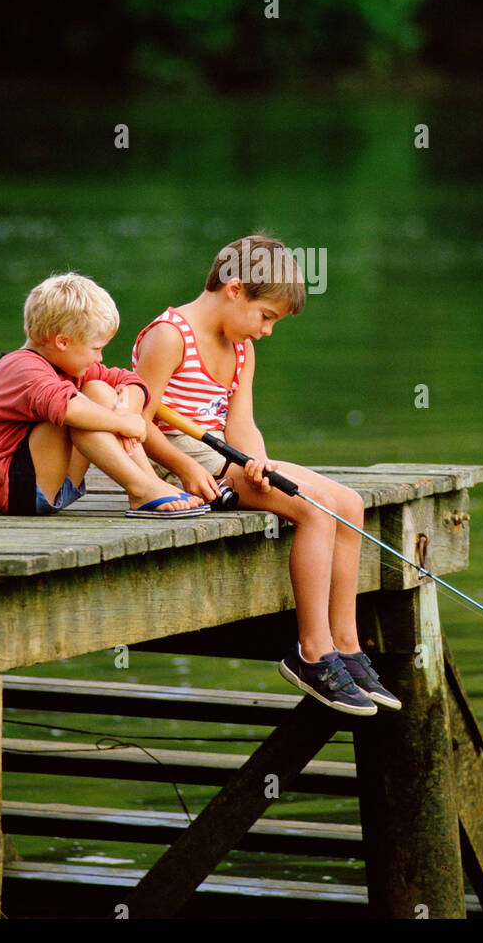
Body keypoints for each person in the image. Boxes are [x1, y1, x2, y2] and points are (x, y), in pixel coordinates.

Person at [131, 234, 401, 716]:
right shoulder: (169, 336)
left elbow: (242, 426)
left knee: (350, 504)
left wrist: (260, 462)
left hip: (224, 456)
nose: (267, 330)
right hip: (177, 467)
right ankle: (312, 653)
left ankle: (347, 644)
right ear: (234, 290)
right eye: (267, 316)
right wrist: (188, 468)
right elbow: (137, 423)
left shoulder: (240, 350)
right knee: (314, 514)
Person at [0, 272, 209, 518]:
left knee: (97, 389)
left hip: (56, 483)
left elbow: (132, 381)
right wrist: (122, 423)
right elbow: (70, 410)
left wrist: (124, 411)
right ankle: (142, 487)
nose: (100, 358)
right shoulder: (21, 368)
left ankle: (147, 484)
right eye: (96, 349)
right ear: (62, 342)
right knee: (78, 410)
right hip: (18, 491)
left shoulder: (68, 364)